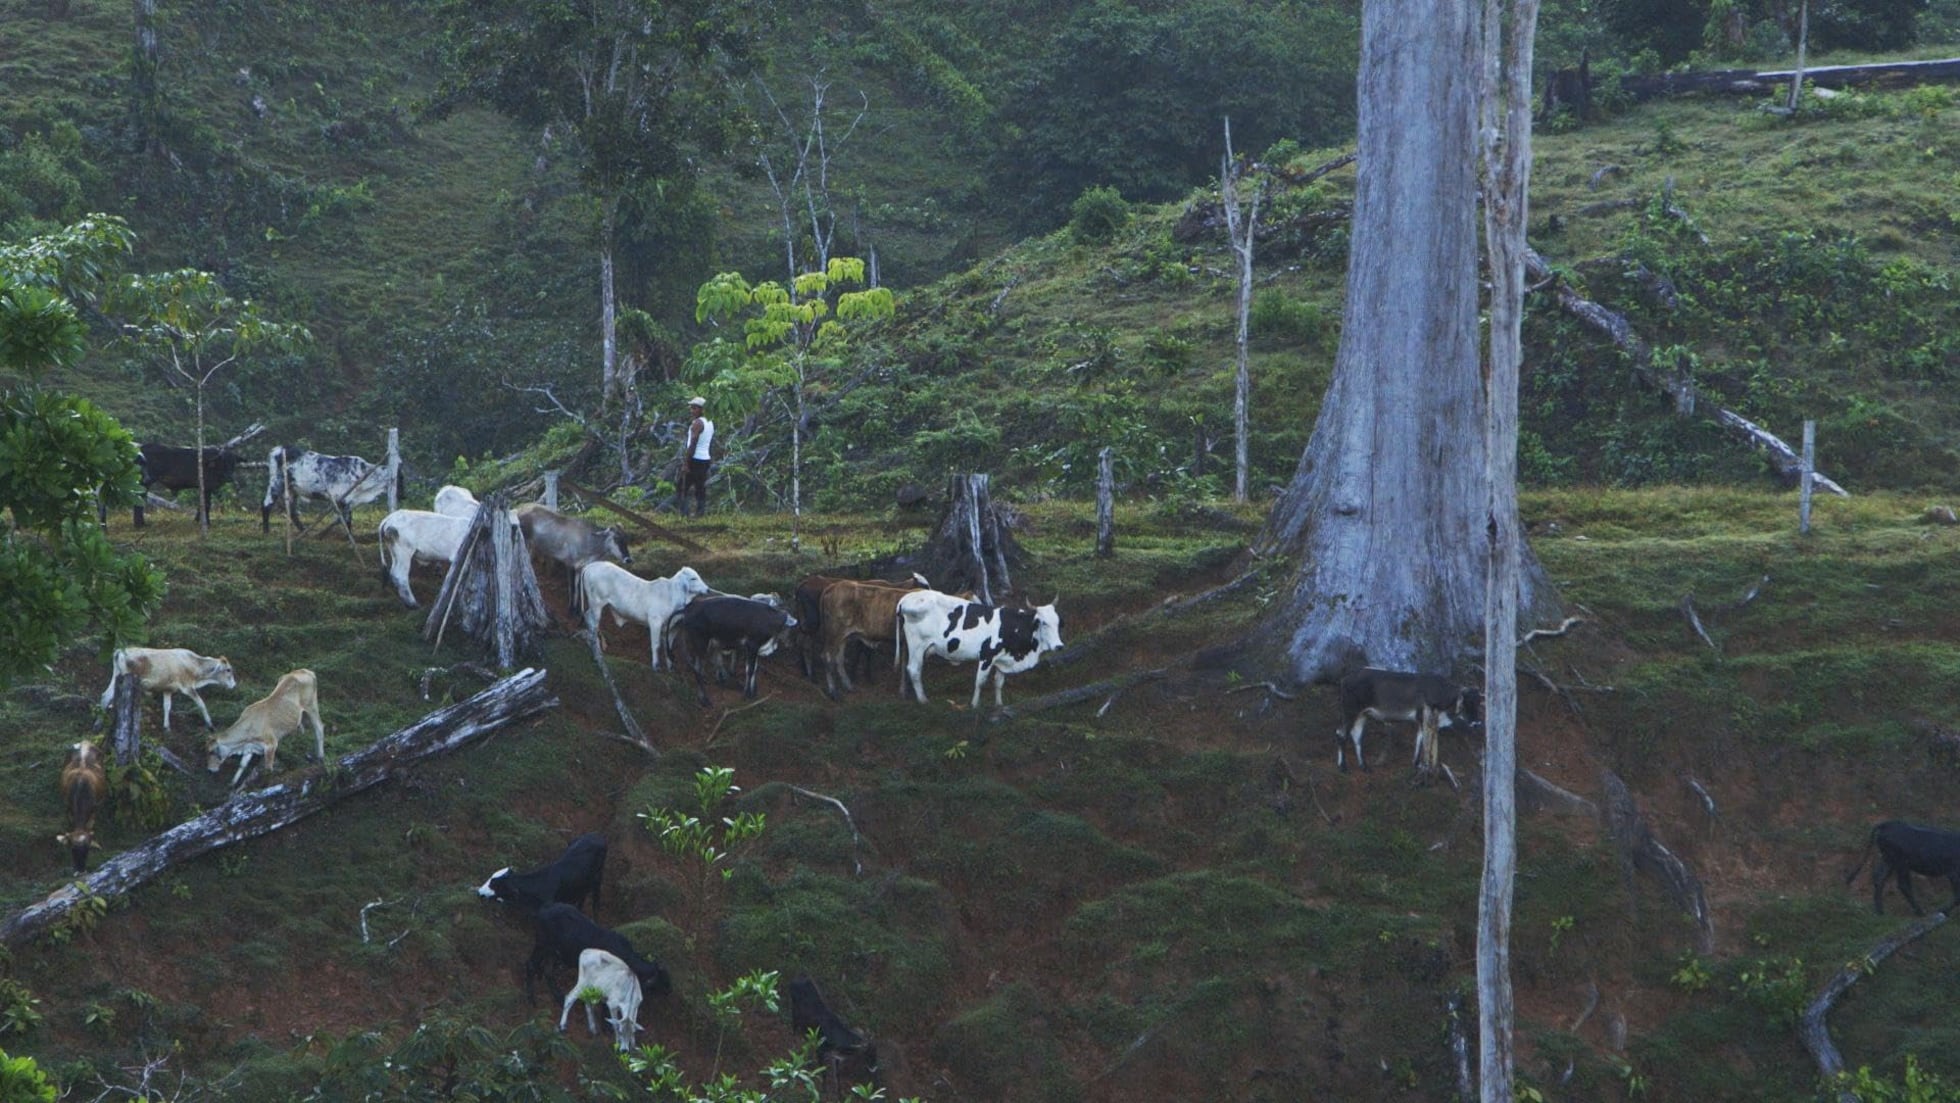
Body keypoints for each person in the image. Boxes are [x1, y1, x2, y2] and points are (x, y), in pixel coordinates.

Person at [679, 397, 714, 517]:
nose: (691, 410)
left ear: (702, 410)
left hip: (695, 459)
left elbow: (693, 442)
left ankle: (684, 514)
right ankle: (700, 513)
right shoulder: (710, 422)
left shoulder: (697, 423)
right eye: (691, 407)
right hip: (705, 459)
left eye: (694, 408)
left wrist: (686, 463)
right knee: (700, 488)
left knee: (681, 487)